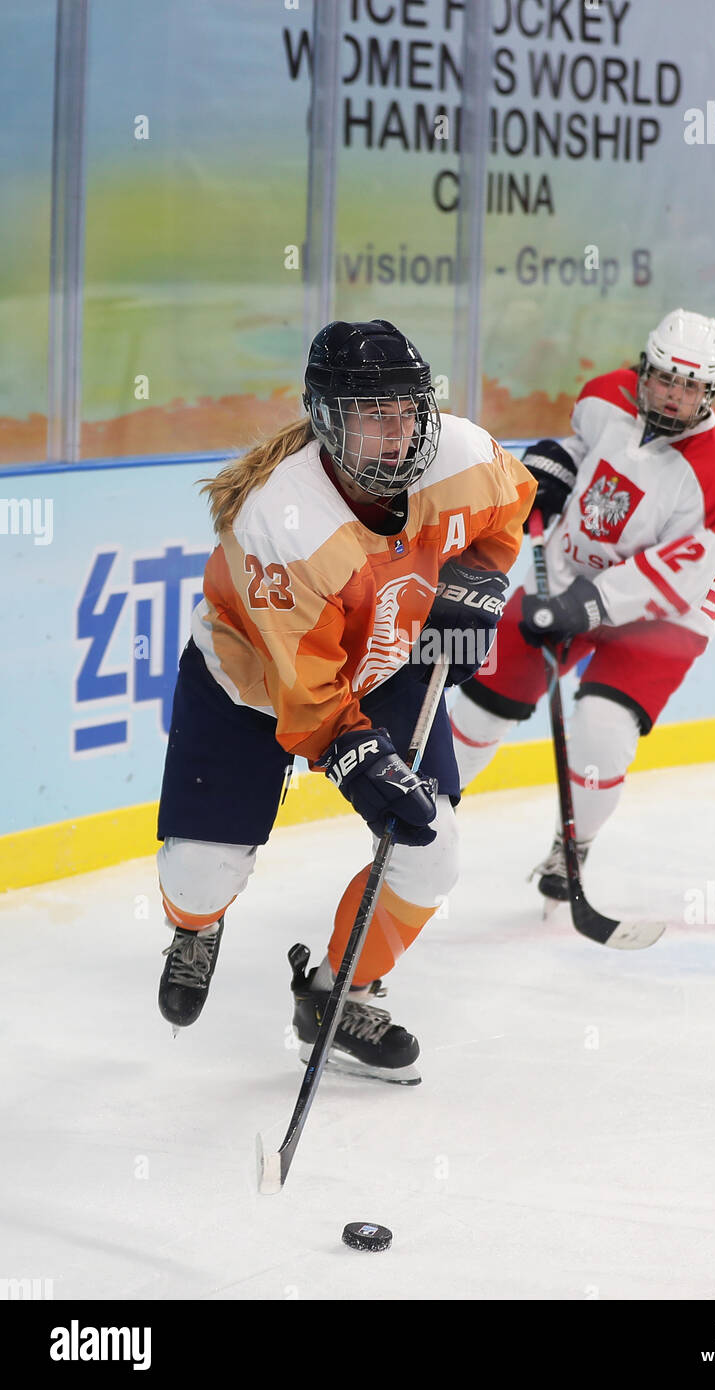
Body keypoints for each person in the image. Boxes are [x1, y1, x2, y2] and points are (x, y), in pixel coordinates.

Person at [155, 319, 536, 1082]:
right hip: (254, 683)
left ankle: (337, 991)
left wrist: (478, 583)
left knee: (433, 847)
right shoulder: (284, 523)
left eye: (407, 410)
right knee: (201, 876)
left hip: (388, 664)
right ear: (327, 421)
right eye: (373, 414)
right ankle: (194, 927)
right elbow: (309, 694)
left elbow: (508, 510)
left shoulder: (458, 455)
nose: (397, 434)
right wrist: (359, 760)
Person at [449, 309, 715, 907]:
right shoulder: (603, 395)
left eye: (690, 387)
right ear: (646, 369)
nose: (673, 395)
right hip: (565, 574)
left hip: (662, 615)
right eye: (665, 378)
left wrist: (586, 607)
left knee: (600, 728)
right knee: (483, 705)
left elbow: (681, 571)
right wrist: (554, 466)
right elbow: (584, 447)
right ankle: (427, 804)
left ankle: (575, 842)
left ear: (711, 392)